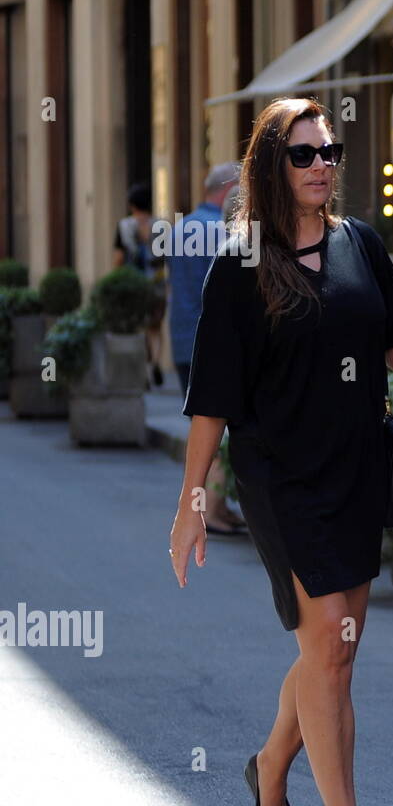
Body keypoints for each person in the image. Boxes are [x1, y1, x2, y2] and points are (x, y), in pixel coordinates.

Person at [168, 96, 393, 806]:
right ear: (272, 167)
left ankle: (271, 767)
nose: (322, 166)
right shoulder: (240, 264)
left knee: (332, 653)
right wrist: (192, 501)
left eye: (330, 151)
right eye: (303, 154)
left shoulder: (359, 245)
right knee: (330, 647)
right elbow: (212, 396)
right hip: (280, 477)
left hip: (355, 470)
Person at [167, 163, 245, 535]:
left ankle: (217, 508)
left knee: (202, 424)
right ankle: (212, 509)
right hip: (207, 341)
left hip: (181, 338)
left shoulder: (182, 227)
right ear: (229, 187)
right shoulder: (218, 231)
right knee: (216, 427)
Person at [114, 183, 168, 387]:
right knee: (155, 328)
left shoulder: (124, 226)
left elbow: (119, 258)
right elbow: (167, 257)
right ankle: (155, 362)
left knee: (139, 328)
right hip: (157, 283)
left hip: (135, 286)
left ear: (132, 205)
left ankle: (144, 372)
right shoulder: (161, 225)